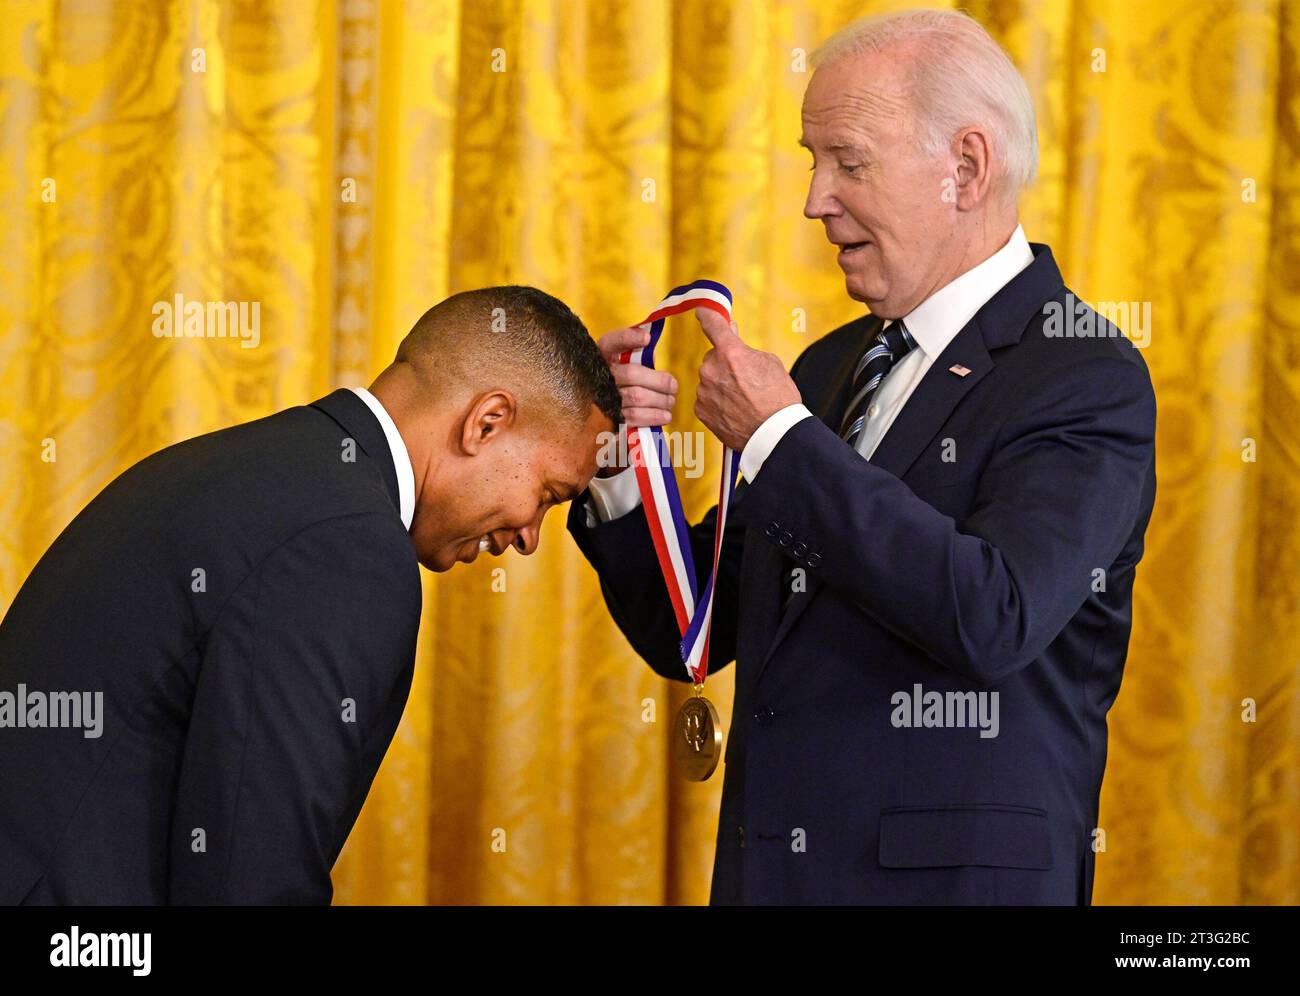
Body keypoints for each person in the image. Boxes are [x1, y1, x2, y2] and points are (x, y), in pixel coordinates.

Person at [571, 9, 1156, 904]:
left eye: (848, 160)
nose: (815, 199)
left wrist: (778, 439)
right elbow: (695, 629)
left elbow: (994, 613)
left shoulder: (1082, 372)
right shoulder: (829, 366)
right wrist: (622, 469)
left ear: (966, 167)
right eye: (813, 161)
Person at [0, 285, 619, 904]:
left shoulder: (269, 467)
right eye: (549, 495)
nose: (532, 537)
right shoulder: (347, 548)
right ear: (486, 422)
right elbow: (252, 884)